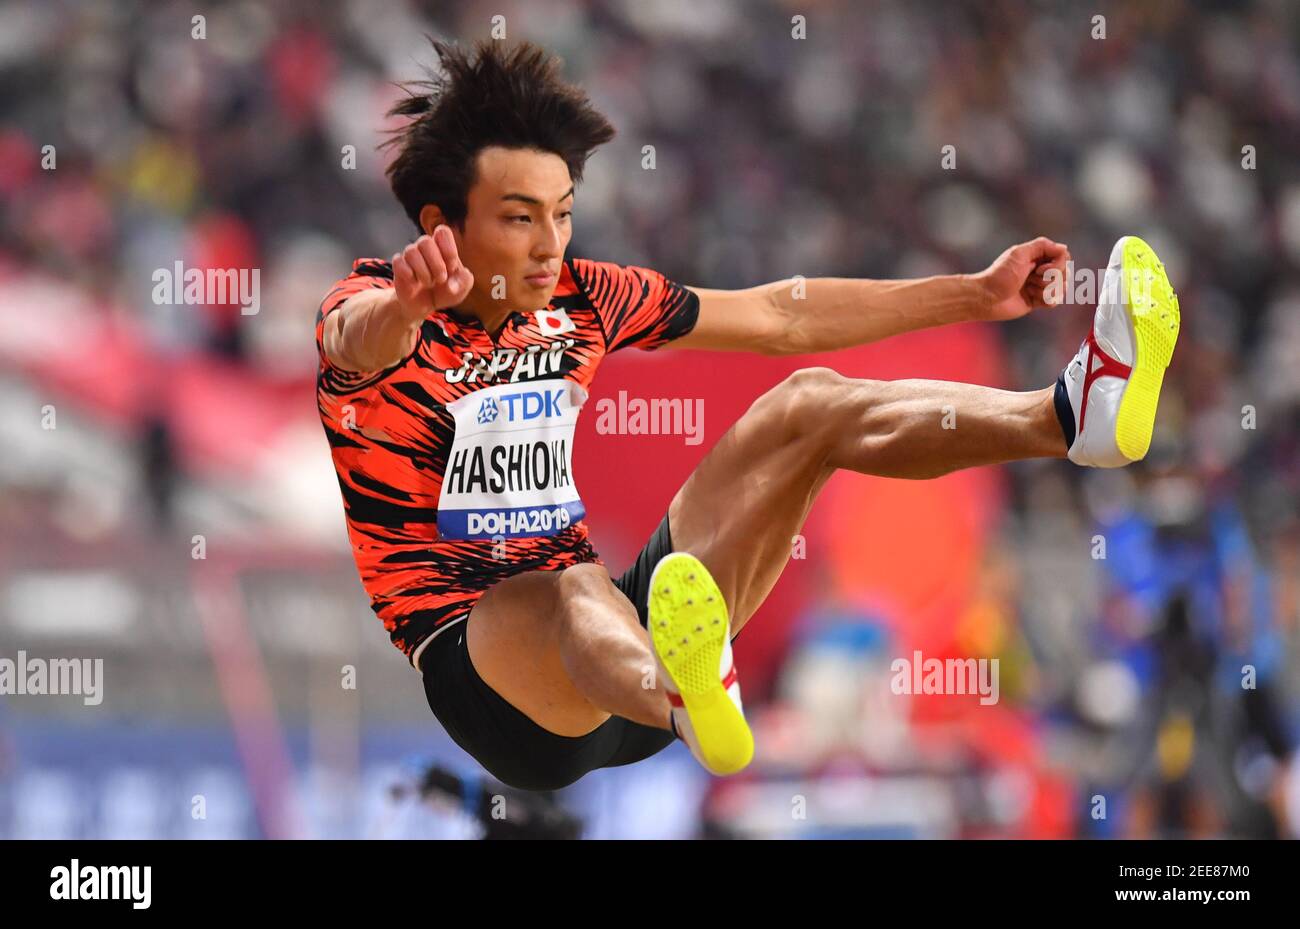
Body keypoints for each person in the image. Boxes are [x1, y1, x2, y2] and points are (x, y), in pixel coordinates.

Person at [315, 39, 1180, 791]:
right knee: (567, 583)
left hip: (630, 650)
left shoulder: (581, 299)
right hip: (496, 680)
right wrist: (407, 307)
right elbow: (359, 342)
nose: (551, 244)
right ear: (443, 224)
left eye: (563, 214)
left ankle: (1068, 416)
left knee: (808, 405)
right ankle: (682, 686)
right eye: (519, 218)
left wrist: (973, 293)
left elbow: (781, 316)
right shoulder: (371, 303)